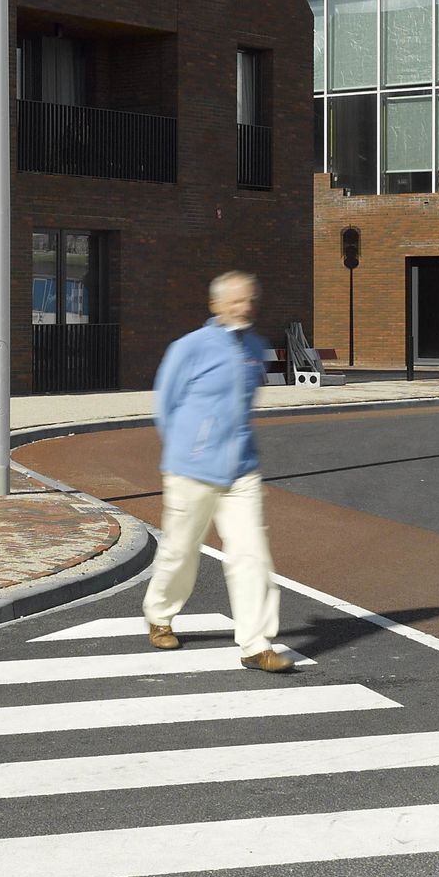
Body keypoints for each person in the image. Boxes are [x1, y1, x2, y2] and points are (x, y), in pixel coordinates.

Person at [146, 268, 293, 671]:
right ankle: (160, 614)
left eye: (249, 300)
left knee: (252, 555)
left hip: (241, 472)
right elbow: (166, 406)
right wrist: (189, 450)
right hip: (191, 469)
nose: (245, 307)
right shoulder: (189, 347)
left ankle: (256, 645)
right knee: (180, 550)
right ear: (216, 304)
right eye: (236, 300)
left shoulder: (256, 346)